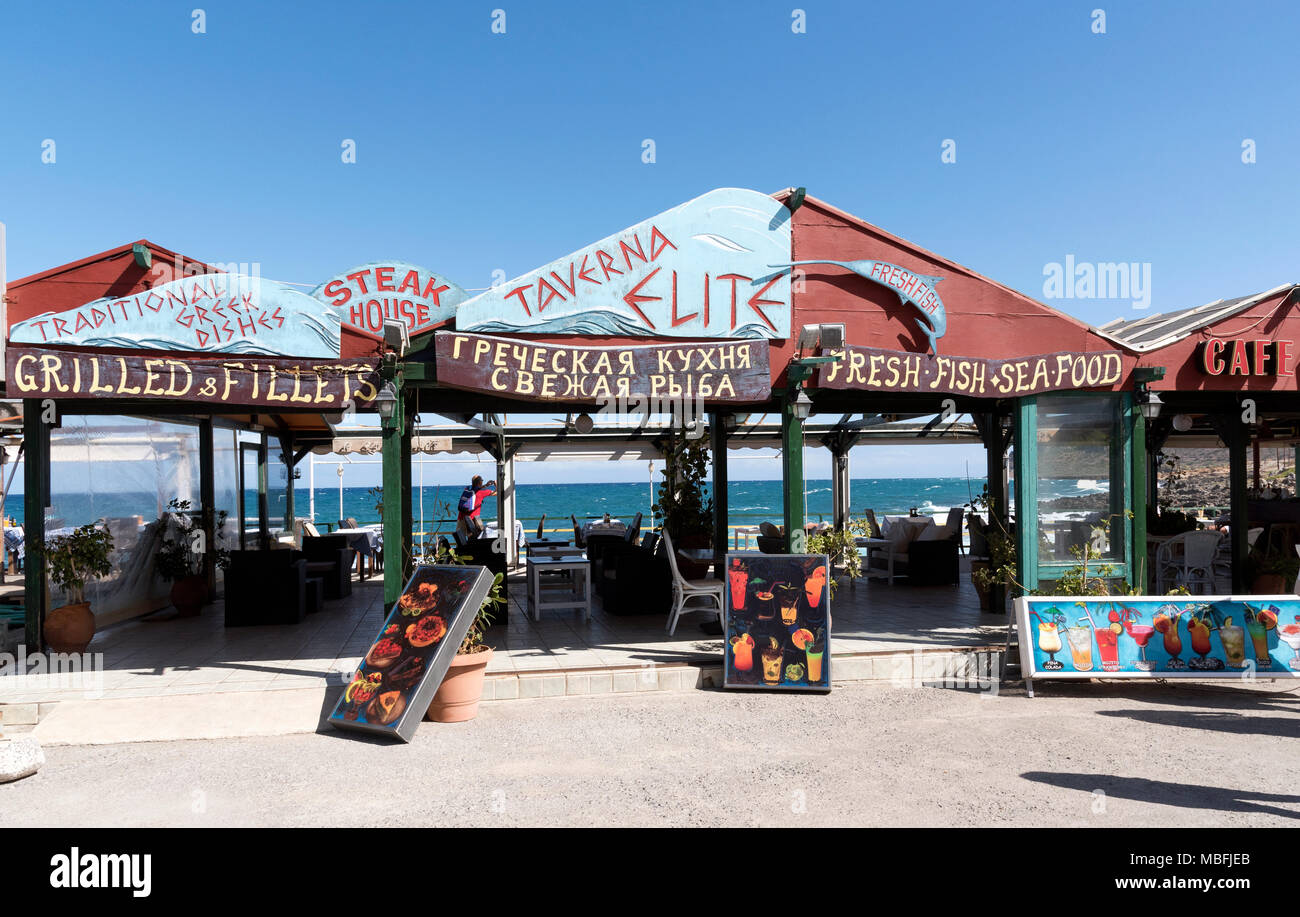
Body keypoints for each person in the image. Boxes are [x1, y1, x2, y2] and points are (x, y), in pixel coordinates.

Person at [456, 475, 496, 542]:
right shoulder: (482, 492)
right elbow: (497, 492)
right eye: (482, 481)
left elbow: (477, 488)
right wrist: (496, 485)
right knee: (472, 541)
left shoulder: (468, 489)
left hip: (461, 518)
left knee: (460, 540)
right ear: (480, 482)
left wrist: (486, 485)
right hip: (471, 521)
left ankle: (457, 552)